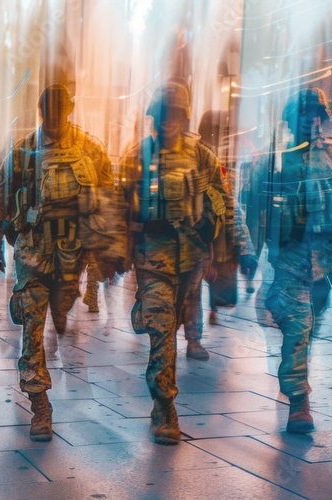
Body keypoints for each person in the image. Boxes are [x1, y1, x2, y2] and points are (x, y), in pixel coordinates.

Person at [0, 83, 125, 442]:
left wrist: (111, 247)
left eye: (58, 108)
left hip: (72, 252)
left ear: (68, 109)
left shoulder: (88, 148)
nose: (51, 115)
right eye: (46, 108)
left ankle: (62, 309)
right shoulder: (22, 152)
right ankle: (39, 403)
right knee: (32, 323)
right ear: (40, 110)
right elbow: (0, 194)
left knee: (63, 307)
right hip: (33, 249)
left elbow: (110, 196)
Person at [122, 82, 251, 445]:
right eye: (162, 114)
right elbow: (117, 208)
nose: (168, 122)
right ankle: (166, 409)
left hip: (193, 260)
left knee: (176, 326)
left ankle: (163, 397)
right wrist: (114, 253)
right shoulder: (138, 156)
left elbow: (227, 203)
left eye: (174, 114)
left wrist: (239, 248)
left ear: (184, 116)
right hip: (153, 261)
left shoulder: (202, 156)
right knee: (162, 331)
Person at [253, 88, 332, 433]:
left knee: (308, 333)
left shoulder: (331, 158)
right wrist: (245, 254)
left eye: (315, 114)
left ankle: (295, 378)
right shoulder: (276, 161)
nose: (310, 120)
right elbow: (254, 210)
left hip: (325, 266)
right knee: (298, 332)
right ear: (289, 119)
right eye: (303, 113)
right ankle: (299, 402)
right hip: (291, 261)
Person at [180, 110, 256, 360]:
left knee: (193, 291)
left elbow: (230, 204)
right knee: (183, 292)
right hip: (187, 235)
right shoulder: (199, 155)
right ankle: (180, 337)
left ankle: (193, 339)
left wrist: (244, 247)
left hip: (210, 236)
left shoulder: (218, 158)